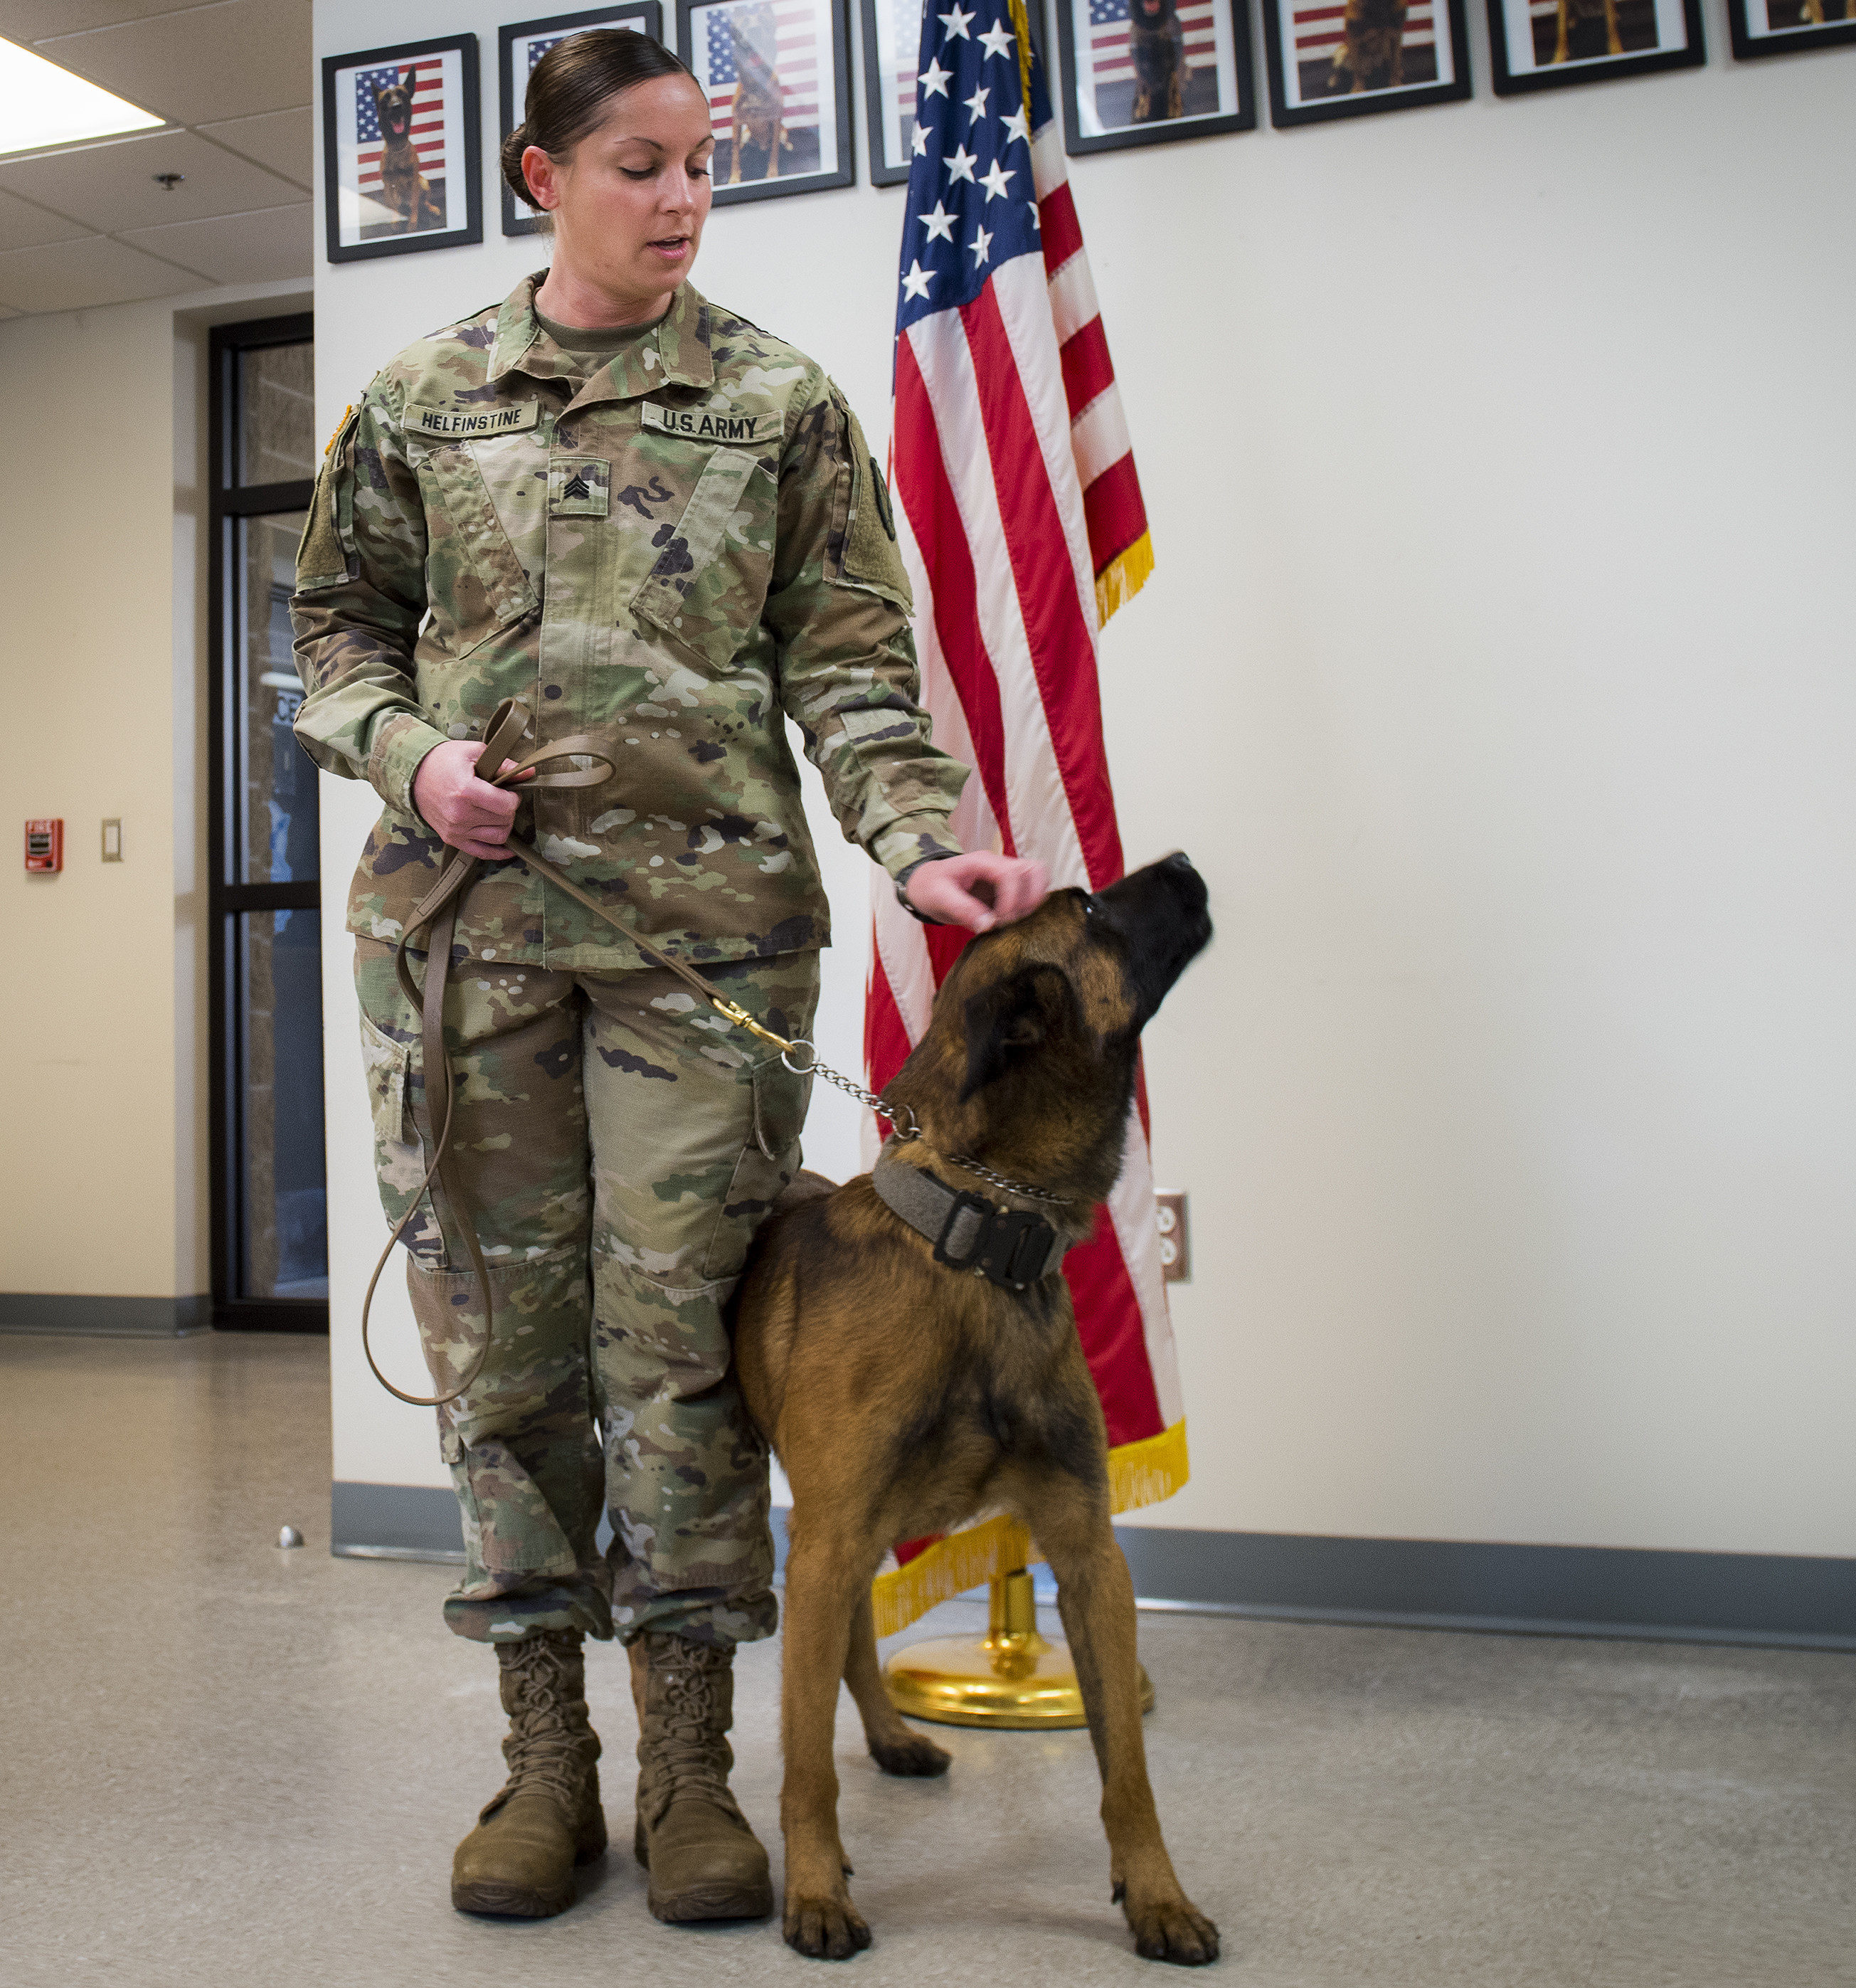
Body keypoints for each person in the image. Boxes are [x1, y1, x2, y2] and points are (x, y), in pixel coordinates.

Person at [291, 28, 1046, 1928]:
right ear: (542, 178)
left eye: (705, 163)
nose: (686, 198)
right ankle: (547, 1761)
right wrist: (410, 758)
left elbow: (858, 663)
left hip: (702, 967)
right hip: (470, 970)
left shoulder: (777, 406)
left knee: (688, 1364)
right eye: (642, 164)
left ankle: (699, 1768)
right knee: (514, 1370)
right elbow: (332, 641)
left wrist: (910, 833)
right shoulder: (420, 399)